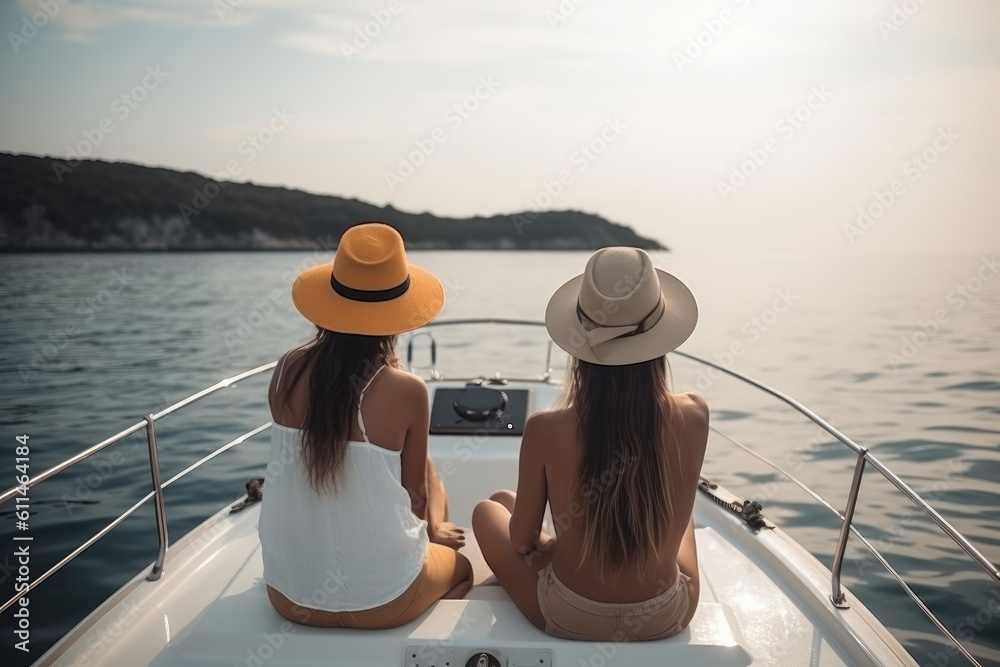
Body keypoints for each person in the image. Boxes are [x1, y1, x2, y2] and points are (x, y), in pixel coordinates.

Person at [472, 246, 708, 641]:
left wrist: (552, 547)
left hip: (570, 613)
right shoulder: (694, 415)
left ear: (579, 346)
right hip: (664, 615)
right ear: (660, 343)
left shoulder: (546, 428)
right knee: (684, 527)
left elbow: (521, 541)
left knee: (486, 509)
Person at [259, 222, 472, 629]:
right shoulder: (406, 389)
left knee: (427, 473)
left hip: (287, 596)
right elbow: (416, 497)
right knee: (462, 568)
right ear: (397, 311)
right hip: (382, 601)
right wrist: (431, 532)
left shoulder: (287, 367)